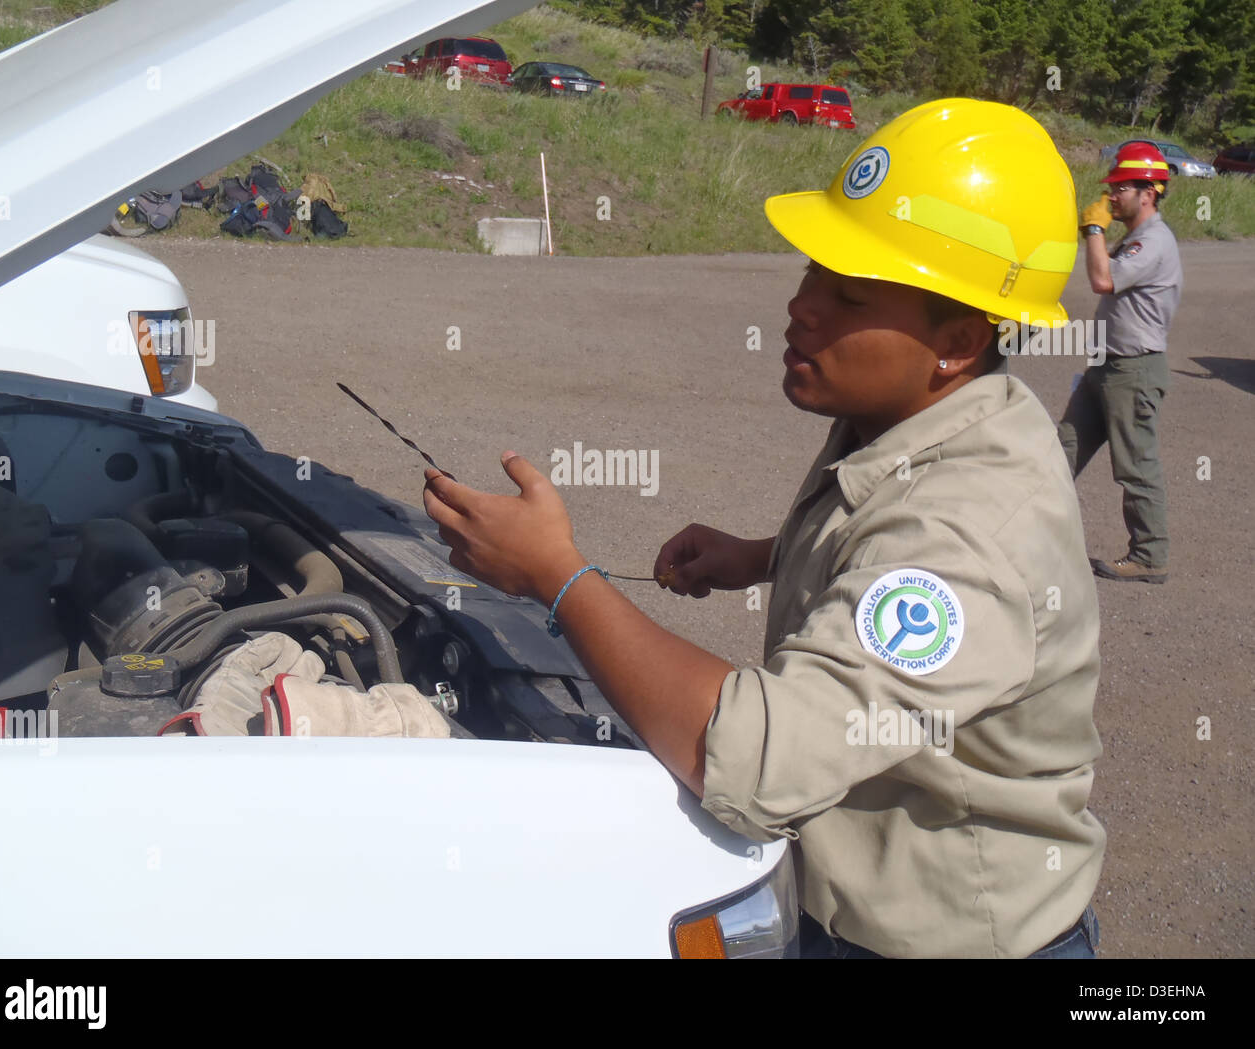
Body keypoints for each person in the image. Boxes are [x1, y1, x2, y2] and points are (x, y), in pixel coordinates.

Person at [422, 98, 1105, 959]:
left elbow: (752, 760)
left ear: (959, 341)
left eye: (847, 293)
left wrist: (557, 575)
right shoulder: (926, 416)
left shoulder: (971, 535)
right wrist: (759, 558)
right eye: (812, 271)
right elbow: (884, 540)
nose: (801, 307)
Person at [1059, 141, 1182, 584]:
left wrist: (1094, 231)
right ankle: (1026, 538)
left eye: (1120, 188)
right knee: (1061, 454)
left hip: (1134, 370)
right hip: (1106, 368)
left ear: (1147, 192)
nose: (1111, 196)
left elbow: (1101, 279)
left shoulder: (1153, 242)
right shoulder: (1134, 239)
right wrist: (1097, 234)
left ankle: (1149, 557)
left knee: (1135, 467)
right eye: (1111, 189)